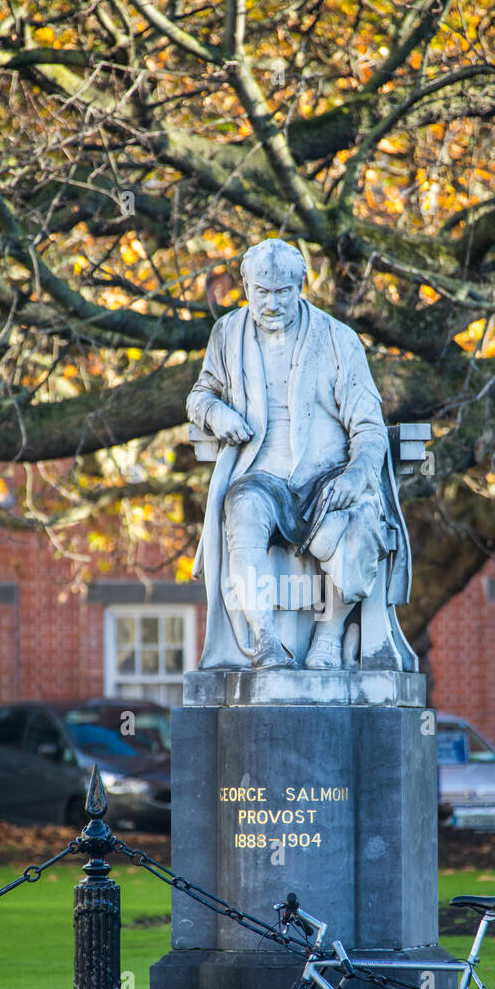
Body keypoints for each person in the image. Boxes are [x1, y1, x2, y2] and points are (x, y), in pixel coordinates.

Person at [186, 238, 416, 671]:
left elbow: (368, 426)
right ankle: (266, 643)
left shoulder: (338, 339)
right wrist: (216, 414)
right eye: (262, 292)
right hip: (261, 476)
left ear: (301, 286)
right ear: (246, 286)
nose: (272, 304)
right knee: (242, 511)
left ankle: (328, 638)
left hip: (328, 475)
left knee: (365, 515)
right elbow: (199, 395)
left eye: (283, 292)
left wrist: (356, 475)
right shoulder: (228, 334)